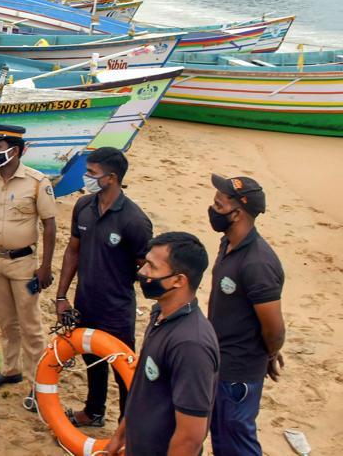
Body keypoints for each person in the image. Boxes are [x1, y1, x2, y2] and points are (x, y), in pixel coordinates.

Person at [54, 147, 153, 427]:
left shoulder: (135, 221)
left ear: (111, 178)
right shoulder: (83, 206)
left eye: (91, 173)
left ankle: (126, 424)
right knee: (91, 360)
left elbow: (147, 267)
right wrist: (62, 296)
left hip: (117, 309)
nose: (86, 177)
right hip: (85, 302)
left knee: (123, 369)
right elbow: (72, 251)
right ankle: (93, 411)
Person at [105, 232, 219, 455]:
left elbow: (190, 437)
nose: (142, 272)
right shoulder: (159, 315)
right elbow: (143, 392)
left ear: (179, 280)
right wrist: (119, 436)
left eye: (152, 267)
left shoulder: (190, 345)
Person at [0, 124, 56, 410]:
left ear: (15, 150)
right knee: (7, 322)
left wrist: (44, 267)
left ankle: (37, 385)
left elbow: (50, 225)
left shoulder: (36, 181)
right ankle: (10, 369)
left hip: (23, 265)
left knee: (31, 326)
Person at [207, 174, 285, 455]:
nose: (212, 209)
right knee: (221, 439)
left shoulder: (258, 264)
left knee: (237, 443)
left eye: (218, 204)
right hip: (219, 363)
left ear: (237, 213)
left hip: (238, 374)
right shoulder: (228, 244)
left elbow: (275, 330)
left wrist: (269, 354)